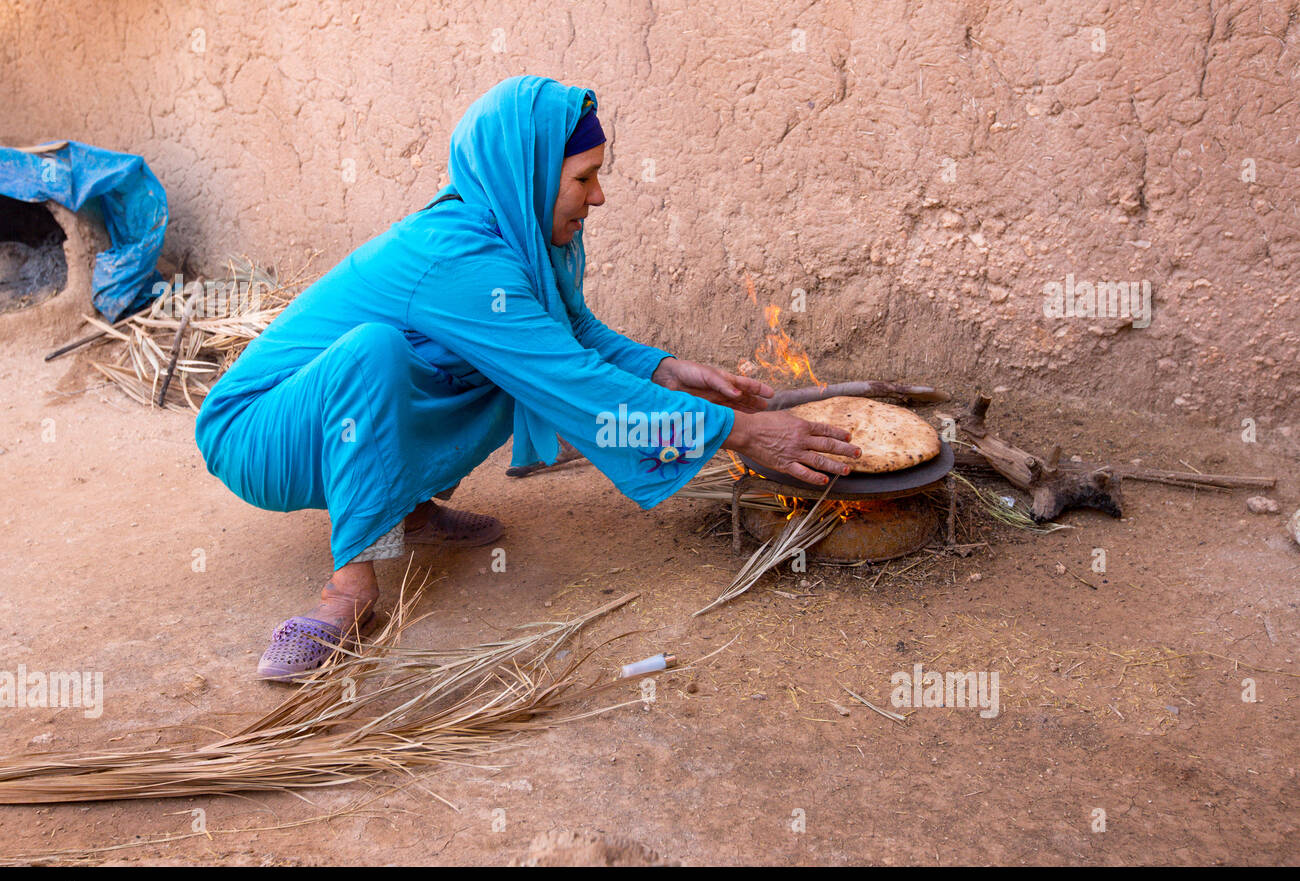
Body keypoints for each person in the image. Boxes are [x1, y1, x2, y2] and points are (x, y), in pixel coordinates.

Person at [195, 75, 860, 680]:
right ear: (533, 171)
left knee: (494, 365)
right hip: (255, 432)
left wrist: (666, 367)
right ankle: (348, 590)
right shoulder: (460, 255)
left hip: (318, 423)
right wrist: (743, 433)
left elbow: (572, 338)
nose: (598, 196)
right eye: (584, 179)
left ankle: (408, 506)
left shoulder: (520, 236)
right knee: (377, 353)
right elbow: (573, 382)